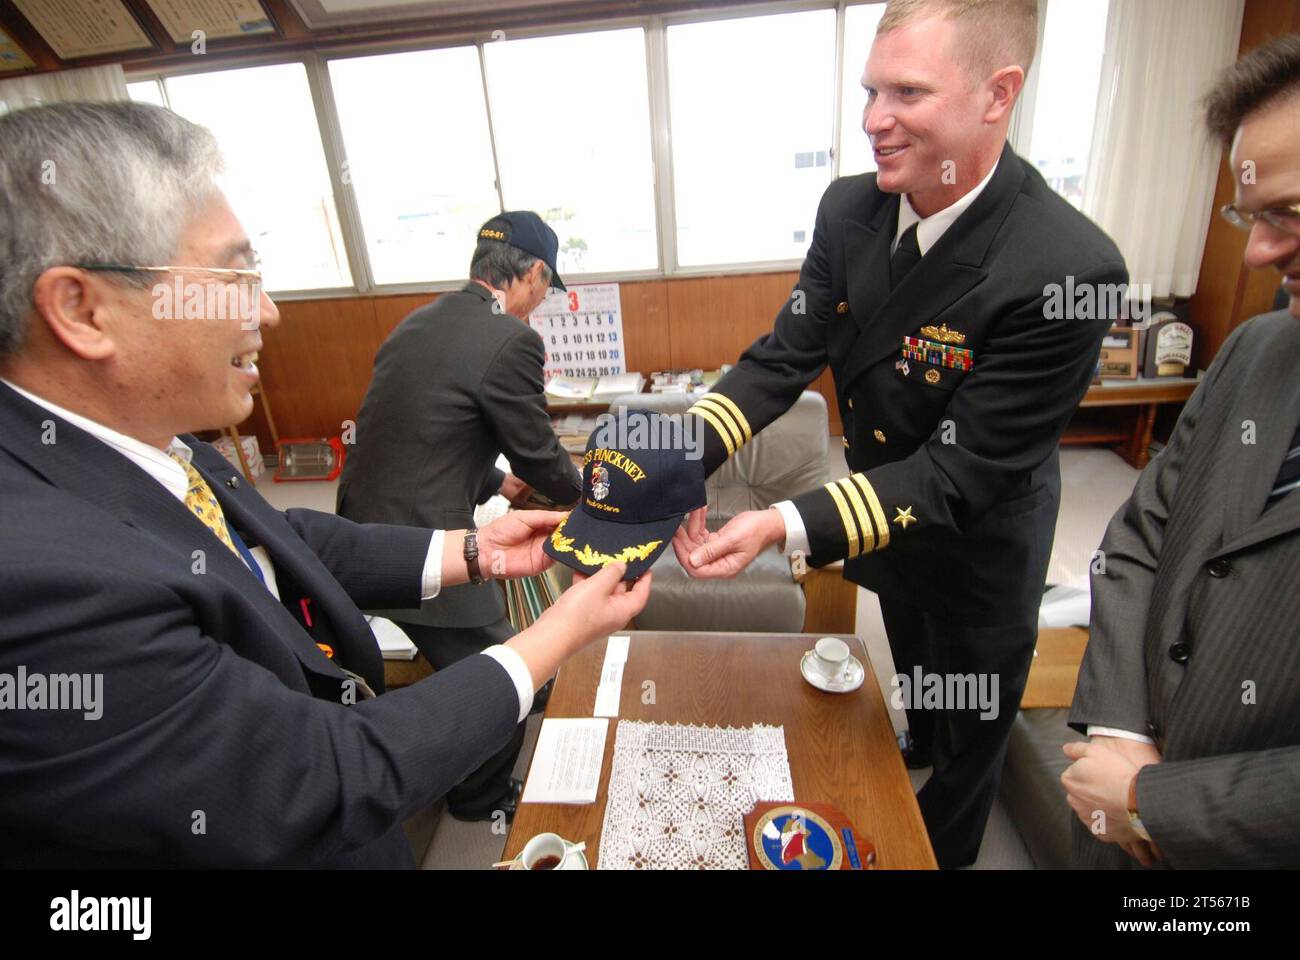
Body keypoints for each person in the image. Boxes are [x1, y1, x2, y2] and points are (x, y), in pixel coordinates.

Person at [0, 101, 648, 868]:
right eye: (234, 276)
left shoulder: (159, 441)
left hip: (393, 516)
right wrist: (561, 630)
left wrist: (474, 552)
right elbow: (316, 779)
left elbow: (284, 537)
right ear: (82, 309)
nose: (268, 311)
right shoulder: (38, 581)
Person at [670, 0, 1126, 867]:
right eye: (871, 91)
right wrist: (674, 458)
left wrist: (781, 525)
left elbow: (956, 478)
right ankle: (915, 734)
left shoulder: (1068, 266)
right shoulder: (851, 209)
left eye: (907, 92)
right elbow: (782, 356)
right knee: (914, 671)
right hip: (880, 521)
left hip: (979, 543)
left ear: (999, 94)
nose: (874, 121)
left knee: (970, 746)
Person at [1064, 35, 1300, 870]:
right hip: (1114, 810)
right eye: (1250, 215)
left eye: (1291, 215)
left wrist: (1152, 800)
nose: (1260, 253)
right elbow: (1138, 540)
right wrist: (1121, 741)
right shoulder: (1256, 351)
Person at [336, 211, 581, 822]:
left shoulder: (415, 324)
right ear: (534, 274)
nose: (541, 302)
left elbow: (426, 437)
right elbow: (543, 455)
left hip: (351, 533)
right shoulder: (513, 339)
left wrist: (500, 483)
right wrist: (588, 501)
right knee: (507, 673)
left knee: (479, 654)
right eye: (546, 289)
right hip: (420, 541)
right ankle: (479, 800)